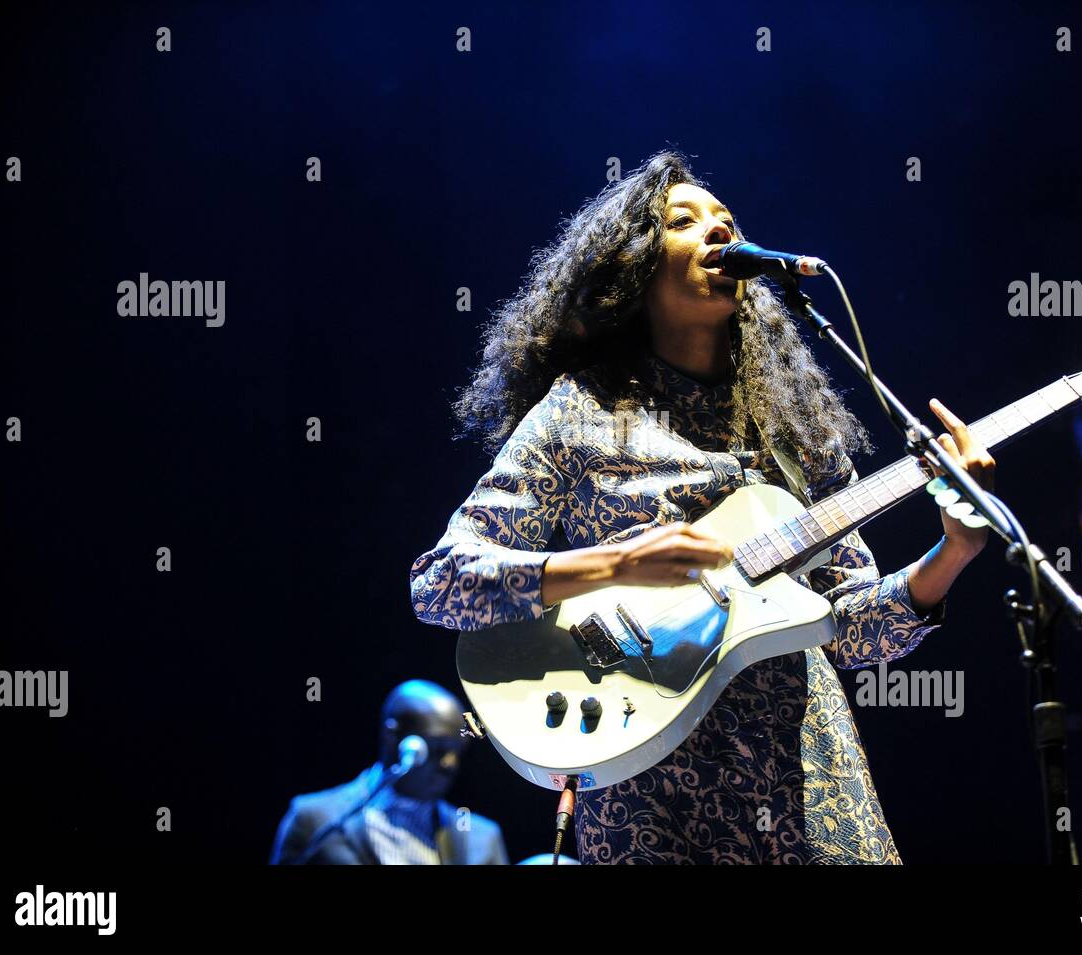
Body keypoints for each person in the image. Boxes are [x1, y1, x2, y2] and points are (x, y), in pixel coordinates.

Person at [409, 150, 995, 863]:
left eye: (726, 220)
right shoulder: (581, 410)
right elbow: (442, 583)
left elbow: (853, 633)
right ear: (633, 268)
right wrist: (615, 562)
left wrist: (953, 551)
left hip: (808, 785)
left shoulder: (794, 428)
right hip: (647, 795)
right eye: (683, 222)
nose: (718, 231)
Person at [270, 679, 508, 865]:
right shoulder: (315, 820)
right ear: (393, 736)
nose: (450, 763)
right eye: (437, 748)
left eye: (457, 751)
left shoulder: (482, 838)